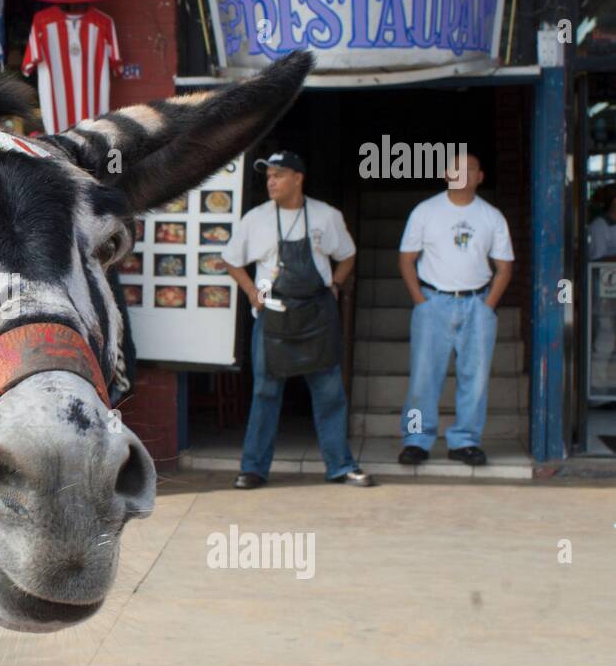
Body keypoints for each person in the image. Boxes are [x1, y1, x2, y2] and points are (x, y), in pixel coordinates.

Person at [220, 151, 373, 489]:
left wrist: (334, 285)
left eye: (278, 175)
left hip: (317, 316)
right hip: (272, 317)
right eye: (268, 176)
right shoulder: (255, 218)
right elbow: (232, 260)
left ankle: (341, 466)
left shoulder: (325, 215)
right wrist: (250, 291)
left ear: (298, 178)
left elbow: (347, 255)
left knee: (330, 392)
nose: (271, 181)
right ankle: (253, 468)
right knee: (265, 392)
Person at [397, 152, 513, 466]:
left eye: (470, 168)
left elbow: (504, 267)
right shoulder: (426, 211)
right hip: (433, 302)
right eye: (456, 168)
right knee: (423, 379)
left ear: (480, 177)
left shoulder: (491, 217)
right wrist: (420, 300)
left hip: (477, 304)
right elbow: (406, 259)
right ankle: (417, 440)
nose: (462, 173)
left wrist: (488, 306)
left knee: (474, 379)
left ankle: (465, 441)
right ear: (446, 174)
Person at [587, 185, 616, 389]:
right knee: (605, 339)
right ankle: (599, 389)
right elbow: (595, 260)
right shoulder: (600, 225)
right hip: (606, 290)